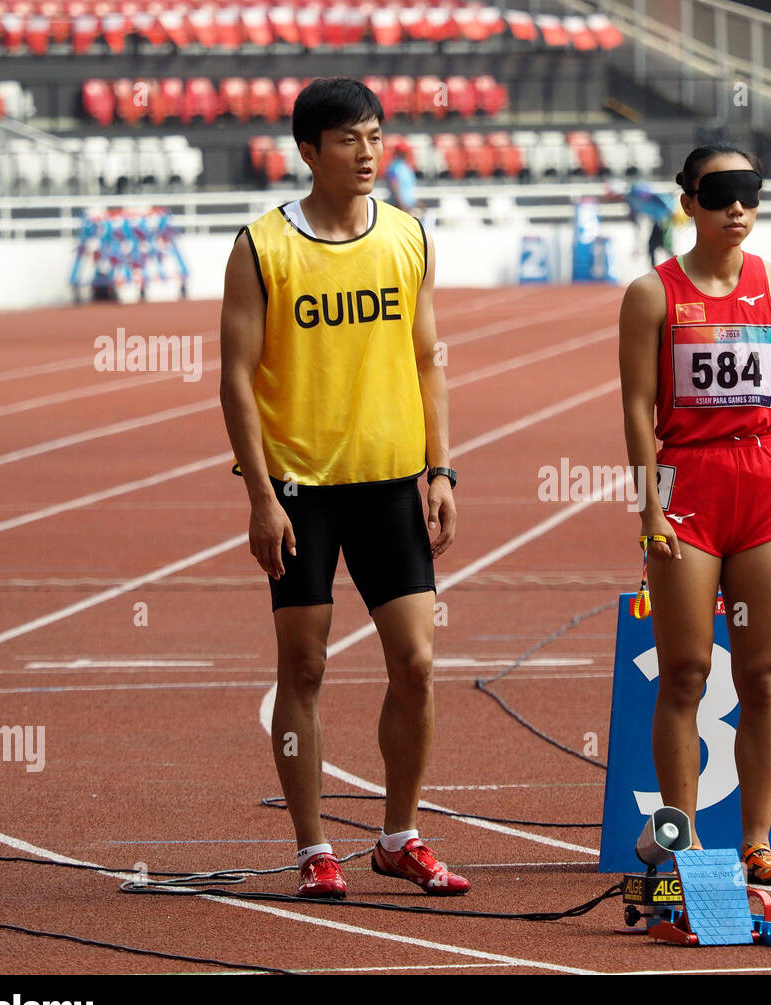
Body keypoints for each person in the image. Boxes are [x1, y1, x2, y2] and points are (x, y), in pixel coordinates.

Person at [219, 77, 467, 899]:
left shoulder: (407, 236)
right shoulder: (262, 247)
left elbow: (429, 359)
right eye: (349, 140)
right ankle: (314, 848)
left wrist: (440, 467)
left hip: (393, 482)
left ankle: (399, 834)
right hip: (301, 489)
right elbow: (235, 377)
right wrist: (259, 495)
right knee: (306, 669)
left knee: (419, 664)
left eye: (376, 136)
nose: (368, 153)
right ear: (309, 152)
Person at [618, 143, 771, 886]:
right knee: (686, 673)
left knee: (762, 674)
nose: (738, 207)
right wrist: (649, 511)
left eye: (750, 193)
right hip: (688, 484)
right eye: (721, 193)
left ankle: (759, 842)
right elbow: (638, 409)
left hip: (763, 484)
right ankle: (683, 839)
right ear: (689, 204)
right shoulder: (652, 295)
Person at [605, 179, 680, 268]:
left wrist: (669, 209)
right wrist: (636, 245)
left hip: (663, 218)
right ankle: (657, 270)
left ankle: (675, 267)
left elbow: (654, 196)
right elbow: (636, 223)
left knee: (659, 245)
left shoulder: (636, 191)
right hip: (657, 220)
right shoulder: (630, 203)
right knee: (655, 245)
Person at [384, 141, 423, 218]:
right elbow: (394, 186)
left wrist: (416, 202)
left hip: (409, 206)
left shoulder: (406, 167)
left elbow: (409, 188)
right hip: (399, 206)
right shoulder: (394, 167)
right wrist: (402, 206)